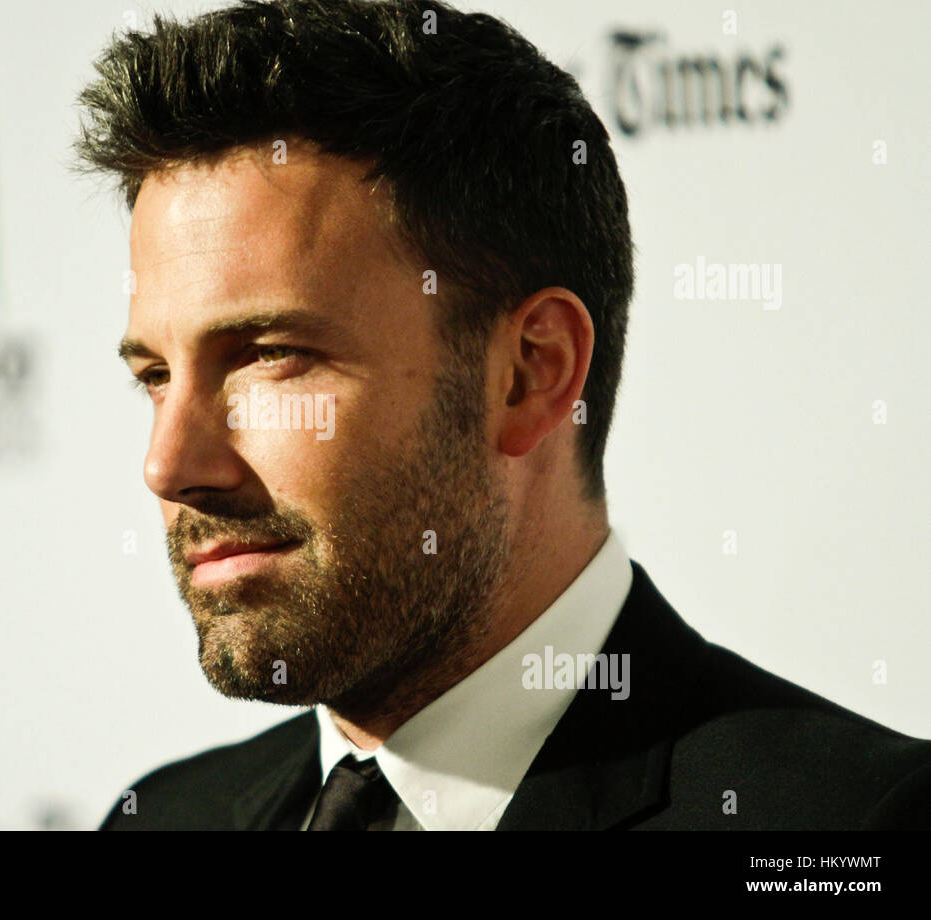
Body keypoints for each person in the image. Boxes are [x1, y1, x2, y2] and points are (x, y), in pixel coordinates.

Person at [73, 0, 931, 829]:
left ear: (531, 372)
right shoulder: (165, 817)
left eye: (268, 356)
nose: (170, 463)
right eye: (153, 373)